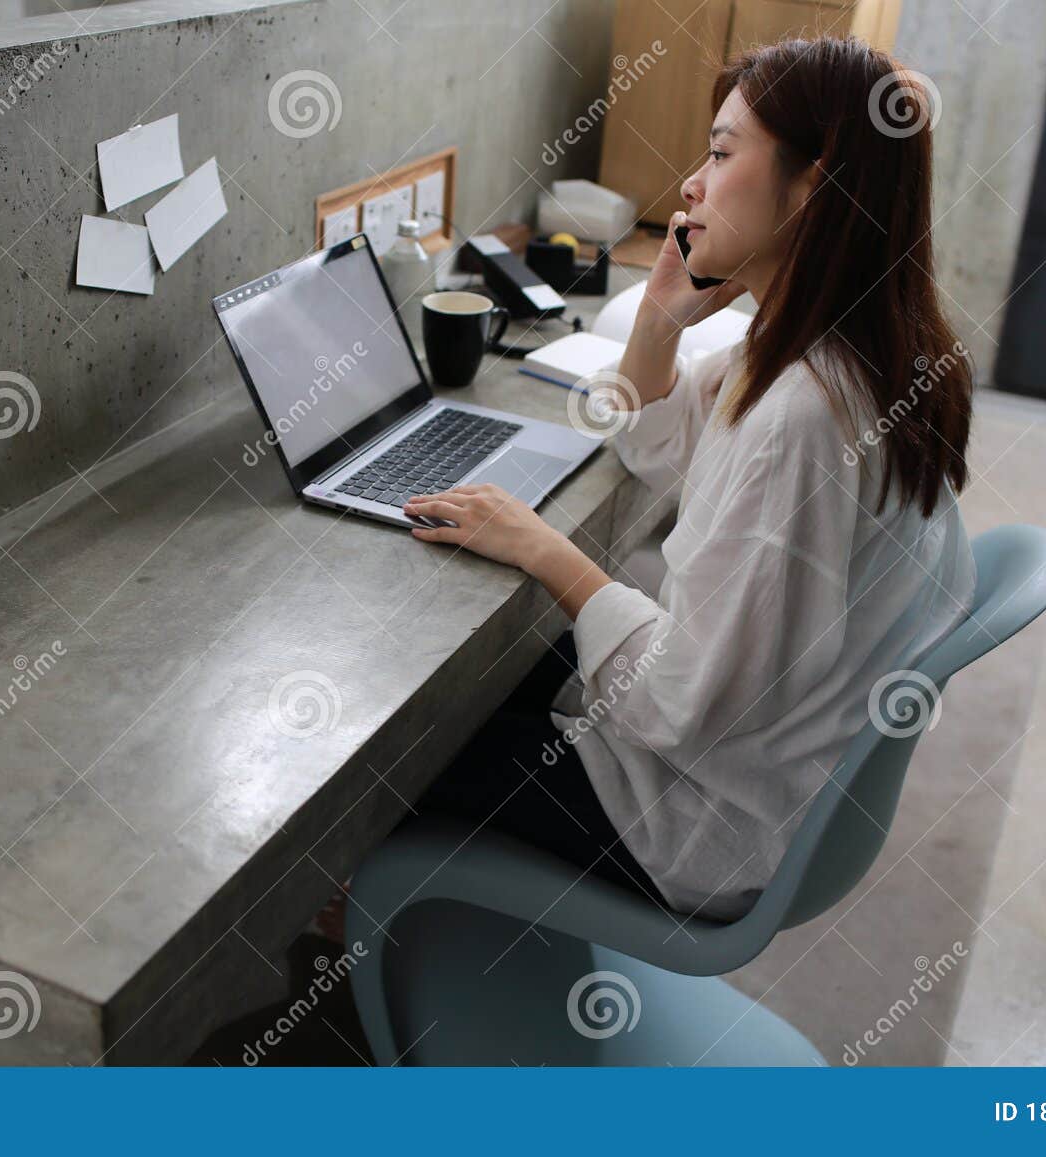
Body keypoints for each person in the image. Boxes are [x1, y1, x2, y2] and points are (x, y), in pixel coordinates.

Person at [400, 36, 976, 922]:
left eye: (719, 153)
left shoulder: (806, 415)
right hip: (756, 762)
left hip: (698, 818)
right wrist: (663, 319)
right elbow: (662, 449)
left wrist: (548, 552)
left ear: (811, 188)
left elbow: (681, 703)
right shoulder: (848, 346)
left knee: (404, 762)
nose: (691, 187)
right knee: (500, 684)